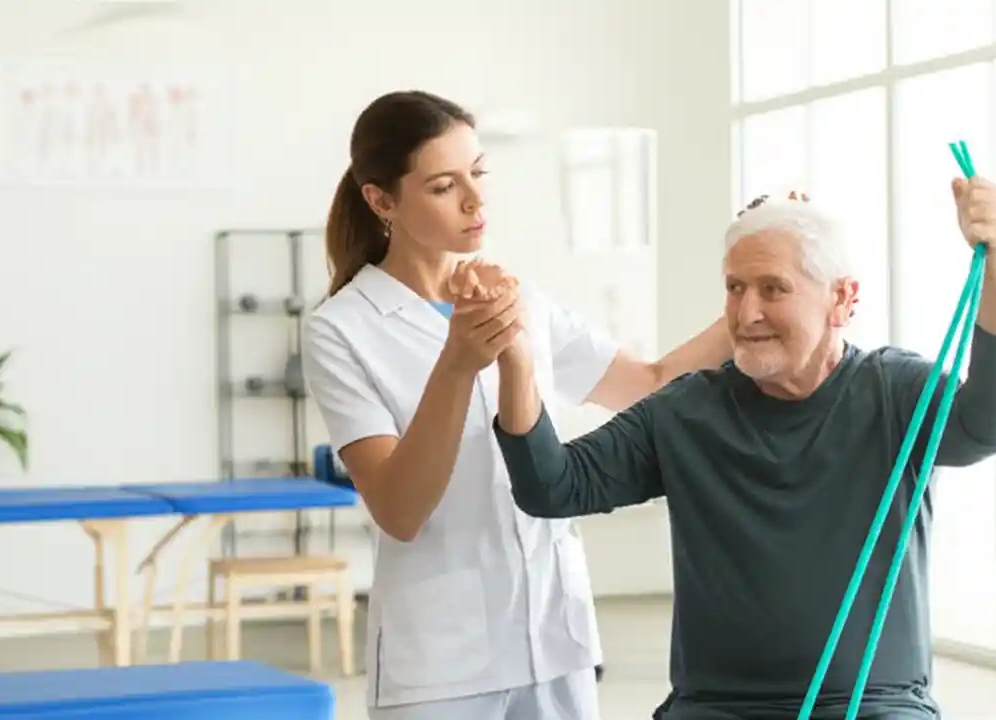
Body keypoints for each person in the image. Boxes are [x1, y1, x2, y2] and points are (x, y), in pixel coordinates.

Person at [490, 181, 996, 719]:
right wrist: (517, 363)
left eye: (773, 289)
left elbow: (989, 423)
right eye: (734, 288)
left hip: (874, 705)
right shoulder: (686, 410)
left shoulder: (893, 391)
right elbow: (552, 486)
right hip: (716, 708)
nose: (746, 313)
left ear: (842, 299)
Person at [301, 89, 734, 720]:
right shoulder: (342, 328)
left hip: (554, 640)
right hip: (442, 664)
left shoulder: (519, 297)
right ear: (381, 200)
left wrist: (753, 302)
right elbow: (398, 509)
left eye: (478, 173)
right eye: (444, 185)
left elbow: (648, 382)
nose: (475, 200)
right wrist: (457, 364)